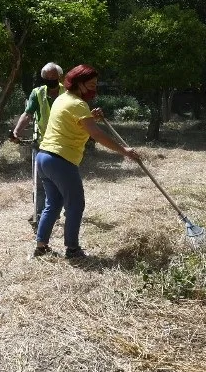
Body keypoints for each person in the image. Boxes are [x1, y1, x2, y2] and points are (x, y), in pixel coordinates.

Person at [32, 64, 139, 259]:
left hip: (43, 158)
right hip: (60, 160)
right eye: (91, 84)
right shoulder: (78, 105)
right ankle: (72, 249)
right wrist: (124, 151)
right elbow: (96, 134)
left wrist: (91, 117)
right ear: (79, 84)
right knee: (75, 205)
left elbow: (77, 123)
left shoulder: (62, 99)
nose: (94, 89)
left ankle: (41, 246)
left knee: (53, 203)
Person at [9, 62, 64, 229]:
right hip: (42, 144)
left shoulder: (68, 92)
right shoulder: (38, 93)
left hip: (64, 145)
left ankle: (56, 212)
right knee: (39, 183)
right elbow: (28, 114)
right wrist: (17, 131)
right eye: (47, 78)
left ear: (59, 77)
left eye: (54, 78)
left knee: (62, 182)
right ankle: (39, 215)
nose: (51, 81)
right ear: (43, 78)